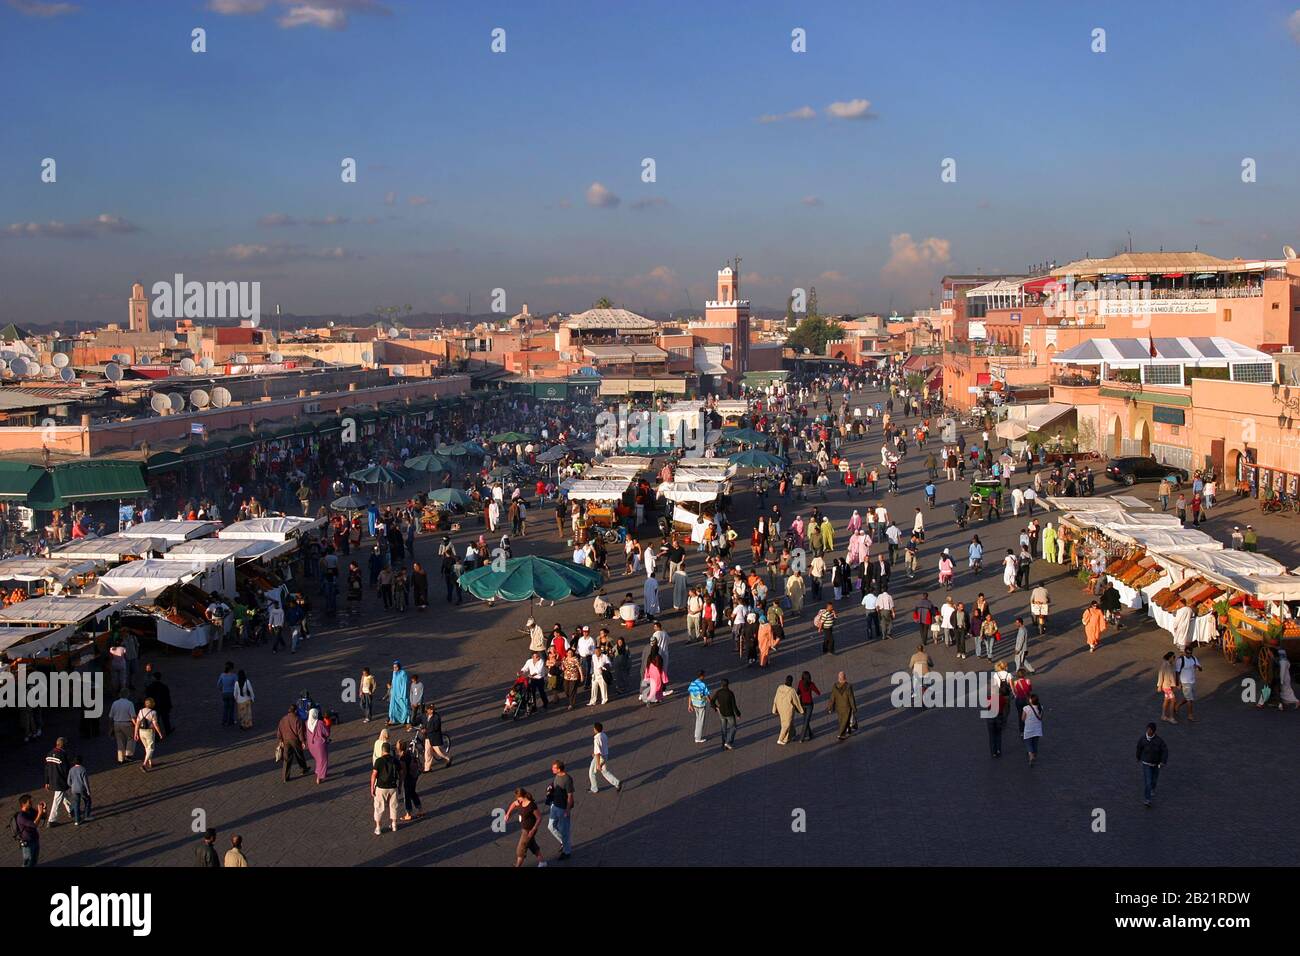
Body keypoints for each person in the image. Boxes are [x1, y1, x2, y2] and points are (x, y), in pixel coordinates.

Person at [504, 788, 546, 868]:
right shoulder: (520, 801)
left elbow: (539, 818)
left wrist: (533, 830)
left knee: (521, 849)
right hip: (524, 829)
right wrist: (508, 813)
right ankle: (542, 862)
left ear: (522, 796)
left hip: (529, 830)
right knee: (532, 845)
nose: (517, 799)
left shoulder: (531, 805)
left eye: (518, 797)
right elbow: (514, 804)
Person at [546, 759, 575, 861]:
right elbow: (555, 786)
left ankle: (567, 852)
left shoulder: (567, 779)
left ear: (559, 769)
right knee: (551, 826)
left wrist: (568, 809)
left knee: (564, 831)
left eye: (554, 768)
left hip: (563, 808)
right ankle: (563, 842)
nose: (552, 769)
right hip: (554, 805)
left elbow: (570, 795)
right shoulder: (557, 776)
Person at [370, 741, 401, 834]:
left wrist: (372, 787)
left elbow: (374, 775)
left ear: (382, 750)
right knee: (393, 806)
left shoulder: (379, 761)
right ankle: (394, 824)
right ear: (390, 750)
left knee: (379, 807)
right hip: (393, 786)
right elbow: (401, 772)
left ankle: (378, 827)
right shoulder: (395, 760)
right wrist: (400, 784)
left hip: (381, 787)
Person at [1136, 722, 1169, 808]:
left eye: (1150, 730)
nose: (1148, 731)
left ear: (1154, 731)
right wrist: (1138, 757)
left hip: (1156, 764)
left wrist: (1163, 761)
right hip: (1146, 763)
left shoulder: (1159, 741)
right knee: (1148, 782)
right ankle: (1147, 799)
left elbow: (1165, 751)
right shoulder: (1142, 739)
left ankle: (1152, 789)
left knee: (1154, 779)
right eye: (1147, 729)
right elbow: (1139, 748)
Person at [276, 704, 310, 781]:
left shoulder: (283, 719)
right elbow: (300, 732)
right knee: (299, 754)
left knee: (287, 758)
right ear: (295, 711)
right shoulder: (298, 719)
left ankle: (285, 777)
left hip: (286, 741)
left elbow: (279, 731)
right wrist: (303, 741)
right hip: (295, 740)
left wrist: (281, 740)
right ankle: (303, 769)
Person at [588, 722, 622, 793]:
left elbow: (597, 753)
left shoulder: (596, 739)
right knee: (605, 772)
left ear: (596, 730)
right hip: (605, 756)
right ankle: (617, 783)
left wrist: (597, 764)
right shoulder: (604, 735)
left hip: (600, 758)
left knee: (591, 772)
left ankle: (594, 788)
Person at [13, 795, 46, 867]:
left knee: (34, 860)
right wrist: (40, 813)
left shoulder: (30, 811)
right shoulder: (21, 816)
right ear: (23, 804)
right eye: (29, 802)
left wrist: (44, 809)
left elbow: (43, 817)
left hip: (35, 839)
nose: (32, 803)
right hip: (28, 843)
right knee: (27, 863)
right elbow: (34, 825)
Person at [772, 674, 804, 745]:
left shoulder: (780, 687)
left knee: (787, 722)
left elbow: (776, 698)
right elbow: (796, 702)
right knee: (786, 724)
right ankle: (780, 739)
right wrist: (801, 711)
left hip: (780, 708)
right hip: (787, 710)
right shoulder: (792, 691)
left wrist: (774, 709)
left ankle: (792, 734)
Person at [133, 698, 164, 772]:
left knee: (146, 747)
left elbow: (137, 723)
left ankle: (150, 763)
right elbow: (155, 724)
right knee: (150, 748)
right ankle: (144, 764)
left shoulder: (141, 711)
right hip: (149, 732)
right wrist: (160, 733)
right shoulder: (153, 712)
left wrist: (135, 734)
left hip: (141, 731)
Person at [710, 678, 741, 750]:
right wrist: (738, 714)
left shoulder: (718, 692)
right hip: (729, 713)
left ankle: (723, 743)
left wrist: (716, 707)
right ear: (728, 684)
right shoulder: (730, 693)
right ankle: (728, 742)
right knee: (733, 727)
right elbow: (734, 705)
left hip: (721, 713)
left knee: (724, 728)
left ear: (721, 685)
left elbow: (712, 701)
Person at [397, 739, 423, 820]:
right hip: (414, 775)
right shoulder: (410, 753)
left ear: (399, 748)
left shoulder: (402, 758)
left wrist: (400, 784)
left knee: (407, 795)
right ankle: (420, 810)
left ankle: (408, 813)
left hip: (408, 777)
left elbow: (403, 772)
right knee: (413, 792)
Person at [1174, 647, 1202, 721]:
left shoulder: (1194, 658)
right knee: (1190, 699)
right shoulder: (1181, 660)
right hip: (1185, 682)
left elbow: (1200, 669)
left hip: (1192, 681)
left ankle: (1177, 706)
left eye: (1190, 653)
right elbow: (1177, 672)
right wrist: (1177, 683)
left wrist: (1198, 667)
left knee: (1188, 698)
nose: (1189, 655)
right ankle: (1190, 715)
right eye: (1187, 653)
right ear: (1185, 652)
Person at [108, 690, 136, 763]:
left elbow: (110, 716)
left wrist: (111, 727)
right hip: (127, 723)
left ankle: (120, 759)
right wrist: (136, 725)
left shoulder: (115, 703)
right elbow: (133, 716)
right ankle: (128, 755)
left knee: (120, 741)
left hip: (116, 724)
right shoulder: (130, 703)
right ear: (127, 695)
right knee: (131, 738)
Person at [306, 707, 330, 783]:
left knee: (318, 759)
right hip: (320, 745)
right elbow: (326, 733)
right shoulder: (320, 723)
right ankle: (319, 776)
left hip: (311, 745)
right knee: (323, 760)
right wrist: (328, 725)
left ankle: (318, 771)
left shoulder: (307, 723)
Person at [67, 755, 91, 826]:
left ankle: (77, 820)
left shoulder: (71, 770)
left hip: (74, 789)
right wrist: (88, 791)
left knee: (76, 804)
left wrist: (72, 786)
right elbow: (85, 782)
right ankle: (86, 816)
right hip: (82, 789)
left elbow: (68, 781)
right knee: (88, 801)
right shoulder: (83, 769)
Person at [796, 671, 820, 742]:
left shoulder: (800, 682)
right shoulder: (811, 684)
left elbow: (798, 692)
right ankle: (802, 738)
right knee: (806, 721)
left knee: (805, 719)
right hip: (809, 704)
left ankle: (810, 734)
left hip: (802, 704)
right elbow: (818, 692)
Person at [387, 661, 412, 728]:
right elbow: (393, 681)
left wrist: (402, 694)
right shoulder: (394, 672)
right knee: (393, 707)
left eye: (396, 667)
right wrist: (391, 690)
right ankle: (392, 719)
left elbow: (404, 684)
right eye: (394, 667)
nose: (394, 669)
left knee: (404, 707)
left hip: (401, 694)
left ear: (399, 667)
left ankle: (406, 720)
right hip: (394, 693)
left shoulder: (403, 673)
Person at [688, 670, 710, 743]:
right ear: (702, 676)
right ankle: (698, 738)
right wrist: (712, 703)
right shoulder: (703, 685)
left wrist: (689, 705)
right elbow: (707, 695)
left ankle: (696, 735)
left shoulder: (692, 683)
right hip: (701, 704)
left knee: (698, 719)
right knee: (700, 721)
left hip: (694, 704)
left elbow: (690, 694)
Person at [1022, 693, 1044, 767]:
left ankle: (1031, 756)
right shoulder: (1041, 707)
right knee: (1035, 744)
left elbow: (1023, 718)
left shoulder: (1026, 708)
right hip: (1037, 730)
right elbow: (1041, 718)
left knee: (1028, 744)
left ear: (1031, 700)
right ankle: (1034, 755)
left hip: (1028, 729)